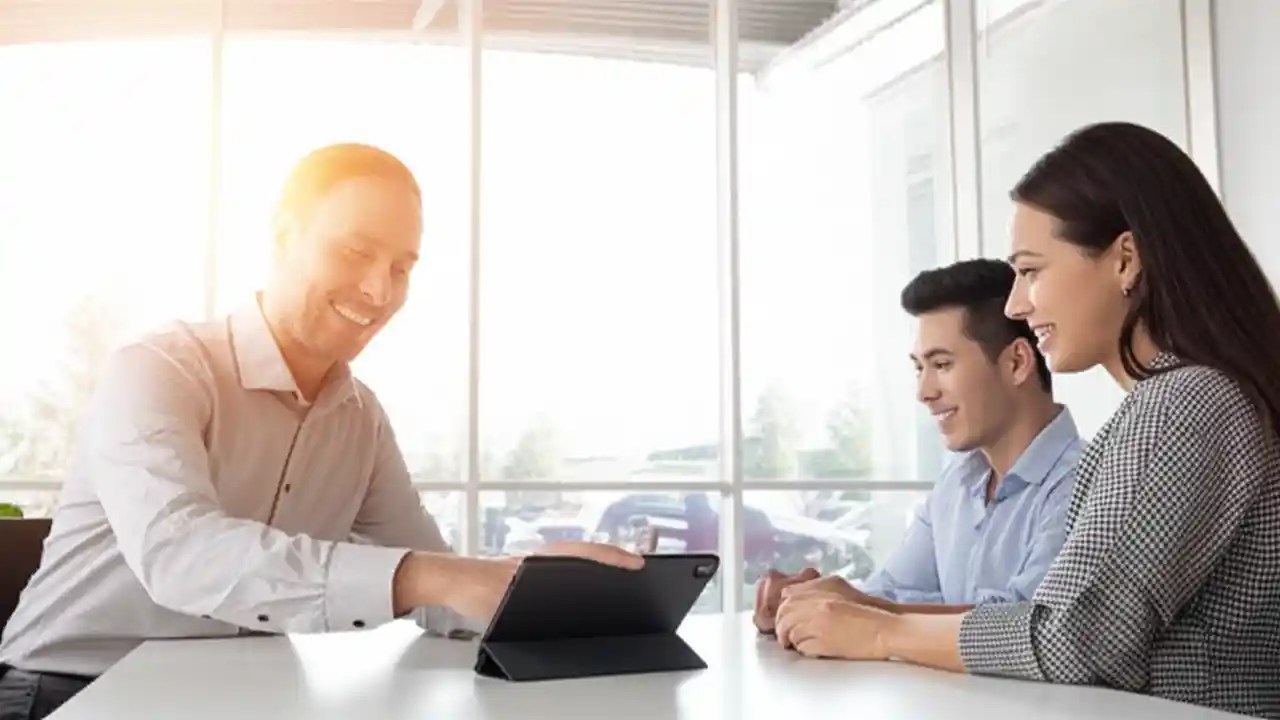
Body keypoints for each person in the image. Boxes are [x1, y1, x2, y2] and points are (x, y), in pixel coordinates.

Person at [0, 143, 642, 720]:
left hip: (244, 698)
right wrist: (437, 576)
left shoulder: (360, 418)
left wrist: (527, 581)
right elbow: (180, 554)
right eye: (356, 252)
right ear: (283, 237)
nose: (379, 289)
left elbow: (433, 589)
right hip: (71, 689)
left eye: (402, 267)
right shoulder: (161, 368)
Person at [769, 122, 1280, 719]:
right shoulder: (1192, 398)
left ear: (1125, 259)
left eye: (1032, 271)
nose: (1016, 304)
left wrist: (883, 633)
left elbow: (1077, 635)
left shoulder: (1182, 403)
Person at [755, 259, 1082, 632]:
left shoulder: (1085, 485)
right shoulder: (956, 484)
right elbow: (892, 592)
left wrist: (855, 608)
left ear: (1017, 362)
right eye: (918, 368)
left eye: (941, 365)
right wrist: (809, 600)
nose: (924, 393)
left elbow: (1029, 627)